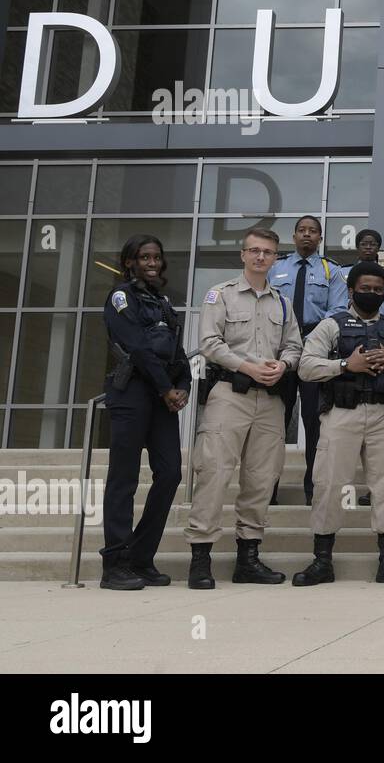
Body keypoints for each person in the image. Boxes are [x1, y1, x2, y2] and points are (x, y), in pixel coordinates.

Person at [291, 262, 384, 587]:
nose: (372, 294)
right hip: (342, 413)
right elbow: (306, 367)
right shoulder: (331, 325)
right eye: (366, 288)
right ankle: (322, 560)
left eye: (378, 290)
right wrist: (345, 364)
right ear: (351, 291)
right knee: (329, 484)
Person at [187, 227, 303, 589]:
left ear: (275, 258)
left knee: (261, 478)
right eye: (254, 251)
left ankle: (248, 558)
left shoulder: (283, 302)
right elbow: (208, 342)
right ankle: (200, 559)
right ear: (242, 255)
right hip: (229, 393)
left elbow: (295, 346)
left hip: (268, 400)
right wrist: (246, 366)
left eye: (267, 252)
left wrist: (283, 365)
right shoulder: (219, 295)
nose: (260, 257)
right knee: (215, 472)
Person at [98, 235, 191, 590]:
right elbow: (136, 347)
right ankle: (115, 563)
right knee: (124, 479)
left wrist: (180, 385)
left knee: (169, 474)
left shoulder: (164, 302)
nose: (152, 262)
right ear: (130, 262)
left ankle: (140, 557)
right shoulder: (121, 297)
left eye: (157, 257)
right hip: (132, 392)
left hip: (161, 396)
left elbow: (178, 352)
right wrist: (165, 387)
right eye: (144, 257)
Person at [269, 215, 347, 504]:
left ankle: (313, 488)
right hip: (279, 352)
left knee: (315, 423)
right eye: (302, 230)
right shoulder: (276, 267)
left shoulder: (332, 271)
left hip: (316, 350)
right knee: (275, 422)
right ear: (294, 235)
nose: (307, 235)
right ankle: (269, 488)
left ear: (320, 237)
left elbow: (338, 310)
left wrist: (310, 340)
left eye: (313, 231)